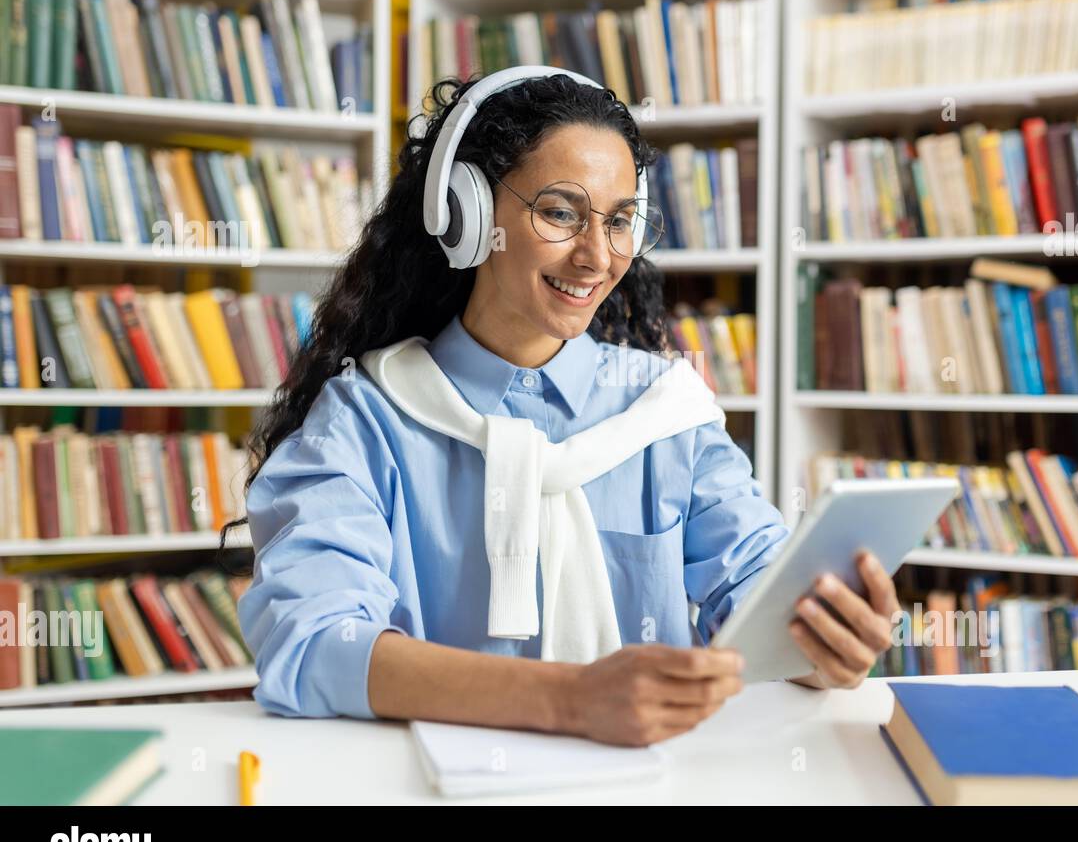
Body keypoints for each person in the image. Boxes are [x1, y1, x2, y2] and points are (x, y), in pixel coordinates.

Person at [229, 67, 900, 747]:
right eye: (559, 212)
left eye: (618, 222)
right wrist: (572, 698)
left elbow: (763, 600)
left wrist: (828, 647)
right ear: (467, 213)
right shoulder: (365, 418)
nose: (597, 256)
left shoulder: (666, 414)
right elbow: (313, 641)